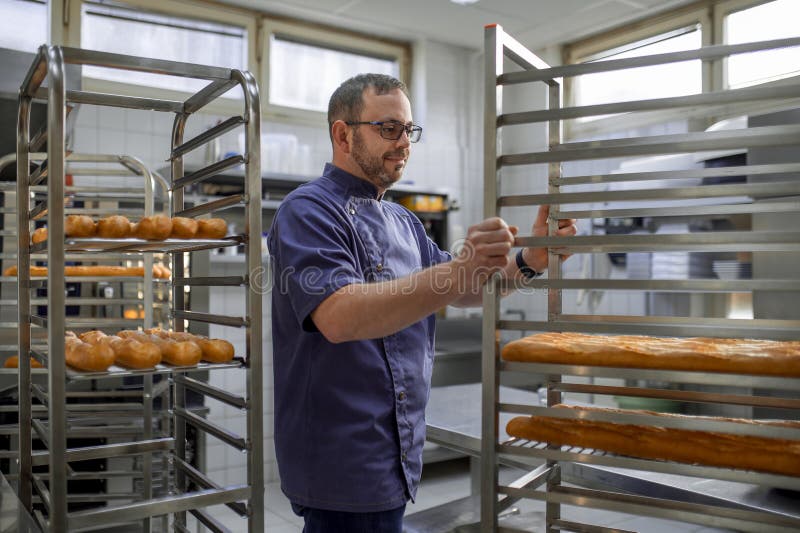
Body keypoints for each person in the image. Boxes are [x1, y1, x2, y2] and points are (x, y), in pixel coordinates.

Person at [267, 73, 576, 532]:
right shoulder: (306, 211)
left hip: (396, 448)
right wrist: (458, 269)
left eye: (408, 130)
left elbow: (467, 290)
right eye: (388, 128)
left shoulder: (405, 222)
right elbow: (338, 315)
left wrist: (529, 261)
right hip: (341, 456)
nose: (404, 142)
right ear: (342, 134)